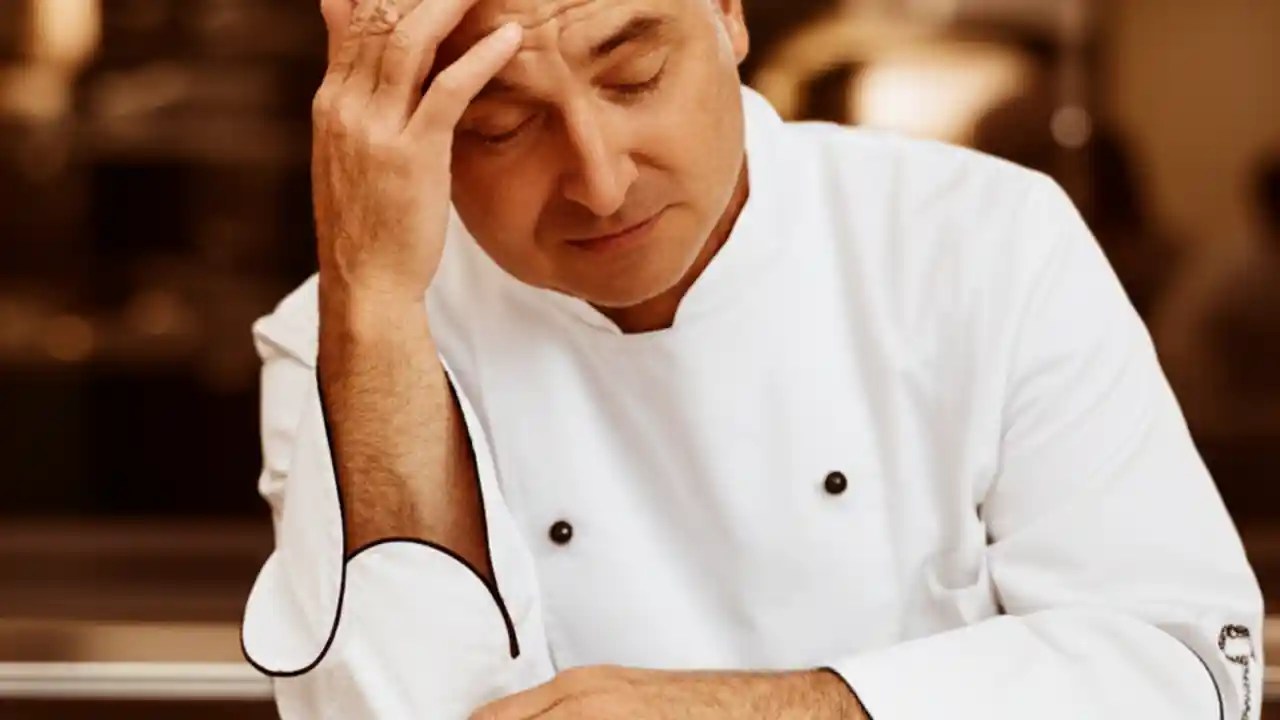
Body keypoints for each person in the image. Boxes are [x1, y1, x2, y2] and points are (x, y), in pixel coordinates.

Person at [239, 0, 1264, 717]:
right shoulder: (349, 335)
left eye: (634, 75)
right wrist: (370, 299)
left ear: (726, 16)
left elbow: (1173, 670)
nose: (597, 181)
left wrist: (765, 711)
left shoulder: (981, 241)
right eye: (503, 127)